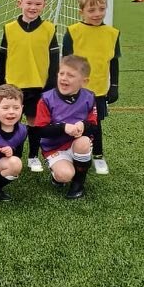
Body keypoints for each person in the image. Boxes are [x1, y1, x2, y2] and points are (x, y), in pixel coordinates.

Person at [0, 0, 59, 172]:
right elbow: (2, 58)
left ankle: (32, 156)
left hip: (38, 86)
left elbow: (54, 60)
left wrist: (50, 85)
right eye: (29, 3)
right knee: (10, 121)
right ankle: (13, 155)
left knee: (34, 123)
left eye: (38, 4)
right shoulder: (9, 28)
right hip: (13, 86)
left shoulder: (49, 29)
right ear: (20, 3)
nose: (33, 7)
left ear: (44, 5)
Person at [62, 0, 120, 175]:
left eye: (102, 9)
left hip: (98, 89)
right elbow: (65, 63)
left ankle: (98, 155)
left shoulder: (112, 34)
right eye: (91, 10)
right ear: (82, 11)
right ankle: (69, 154)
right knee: (72, 123)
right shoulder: (72, 32)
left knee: (95, 124)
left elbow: (113, 63)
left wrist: (114, 86)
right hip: (76, 90)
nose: (97, 14)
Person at [34, 55, 99, 200]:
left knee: (83, 142)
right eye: (61, 73)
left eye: (70, 75)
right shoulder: (46, 99)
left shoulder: (89, 97)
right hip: (54, 147)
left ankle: (78, 183)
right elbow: (40, 130)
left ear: (84, 81)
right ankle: (58, 175)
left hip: (77, 144)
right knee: (64, 175)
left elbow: (94, 125)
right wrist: (63, 128)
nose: (64, 78)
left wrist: (84, 125)